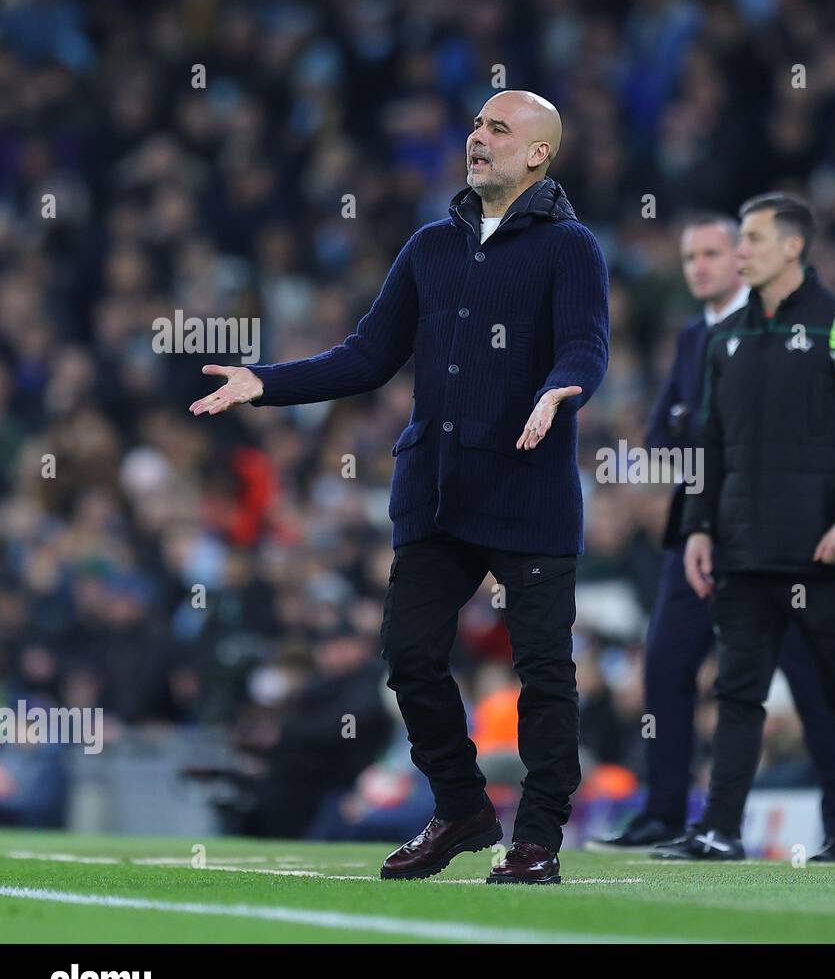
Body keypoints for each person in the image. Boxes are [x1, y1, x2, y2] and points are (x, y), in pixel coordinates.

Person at [190, 90, 609, 886]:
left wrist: (563, 389)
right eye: (477, 125)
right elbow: (367, 355)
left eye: (498, 128)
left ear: (537, 154)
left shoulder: (571, 247)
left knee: (544, 669)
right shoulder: (430, 246)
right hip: (438, 489)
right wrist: (265, 382)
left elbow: (586, 343)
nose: (477, 137)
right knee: (410, 654)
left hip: (529, 487)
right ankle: (463, 806)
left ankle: (540, 835)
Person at [653, 193, 835, 862]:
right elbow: (708, 441)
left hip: (824, 552)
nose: (740, 253)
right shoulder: (724, 336)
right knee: (736, 694)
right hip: (741, 551)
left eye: (753, 240)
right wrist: (699, 528)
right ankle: (718, 828)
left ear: (793, 246)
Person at [590, 214, 835, 854]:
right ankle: (664, 811)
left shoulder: (772, 331)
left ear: (741, 258)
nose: (699, 267)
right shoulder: (689, 339)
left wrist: (700, 439)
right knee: (667, 667)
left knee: (807, 676)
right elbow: (661, 438)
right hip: (698, 536)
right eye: (689, 256)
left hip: (773, 537)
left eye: (711, 253)